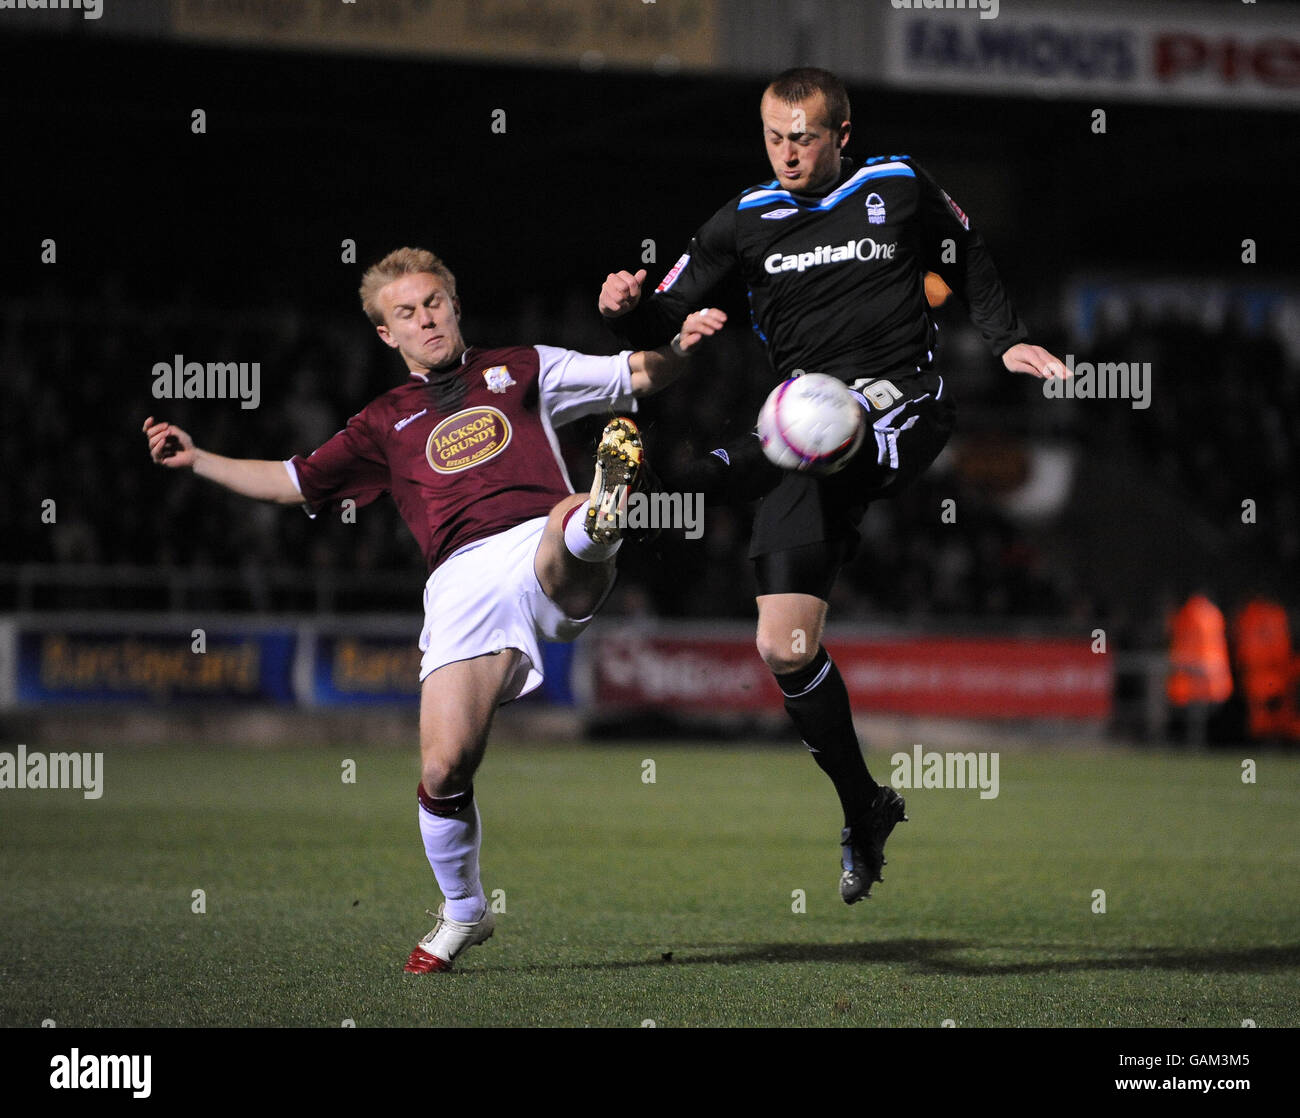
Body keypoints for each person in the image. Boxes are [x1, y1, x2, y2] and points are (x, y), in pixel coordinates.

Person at [144, 247, 725, 971]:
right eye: (406, 313)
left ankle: (599, 519)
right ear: (386, 334)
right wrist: (197, 458)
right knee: (445, 766)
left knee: (565, 529)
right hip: (459, 586)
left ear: (455, 304)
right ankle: (465, 911)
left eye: (434, 303)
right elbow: (292, 481)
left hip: (537, 543)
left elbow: (635, 372)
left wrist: (678, 345)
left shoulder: (522, 366)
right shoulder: (380, 422)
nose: (425, 319)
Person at [597, 68, 1070, 904]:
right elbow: (665, 311)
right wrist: (630, 311)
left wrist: (1004, 339)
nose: (788, 152)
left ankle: (692, 484)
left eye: (805, 136)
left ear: (841, 134)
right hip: (801, 424)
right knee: (783, 647)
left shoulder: (895, 184)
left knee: (814, 435)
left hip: (899, 403)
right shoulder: (743, 220)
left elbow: (966, 254)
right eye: (775, 136)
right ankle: (866, 807)